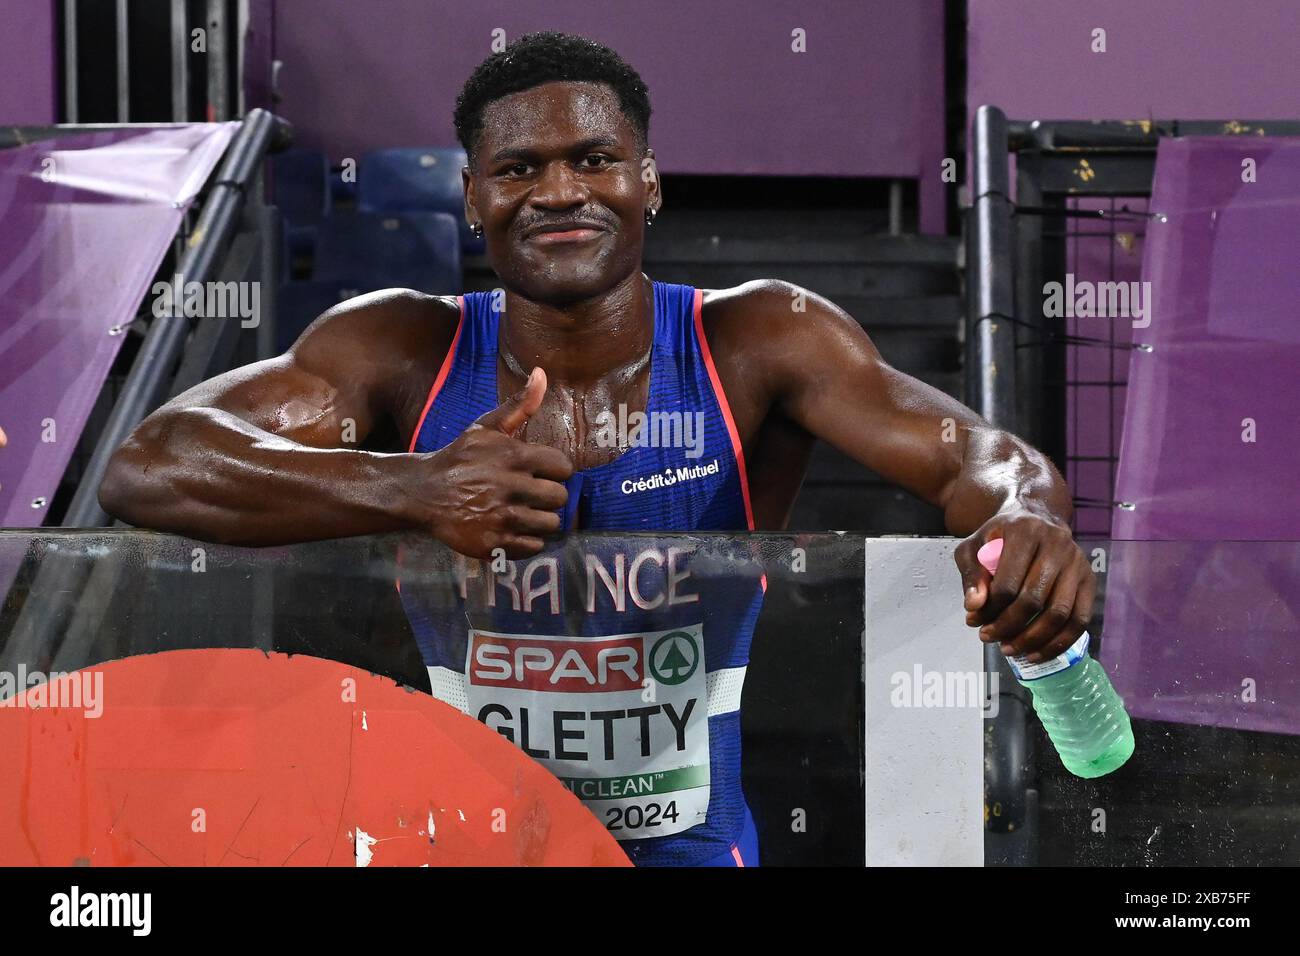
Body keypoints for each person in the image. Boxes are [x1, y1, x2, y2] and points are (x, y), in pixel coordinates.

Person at [99, 31, 1095, 866]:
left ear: (647, 183)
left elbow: (976, 455)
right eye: (519, 168)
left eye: (594, 159)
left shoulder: (757, 340)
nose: (560, 190)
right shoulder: (400, 346)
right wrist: (413, 485)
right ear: (474, 196)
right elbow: (148, 461)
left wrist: (1028, 514)